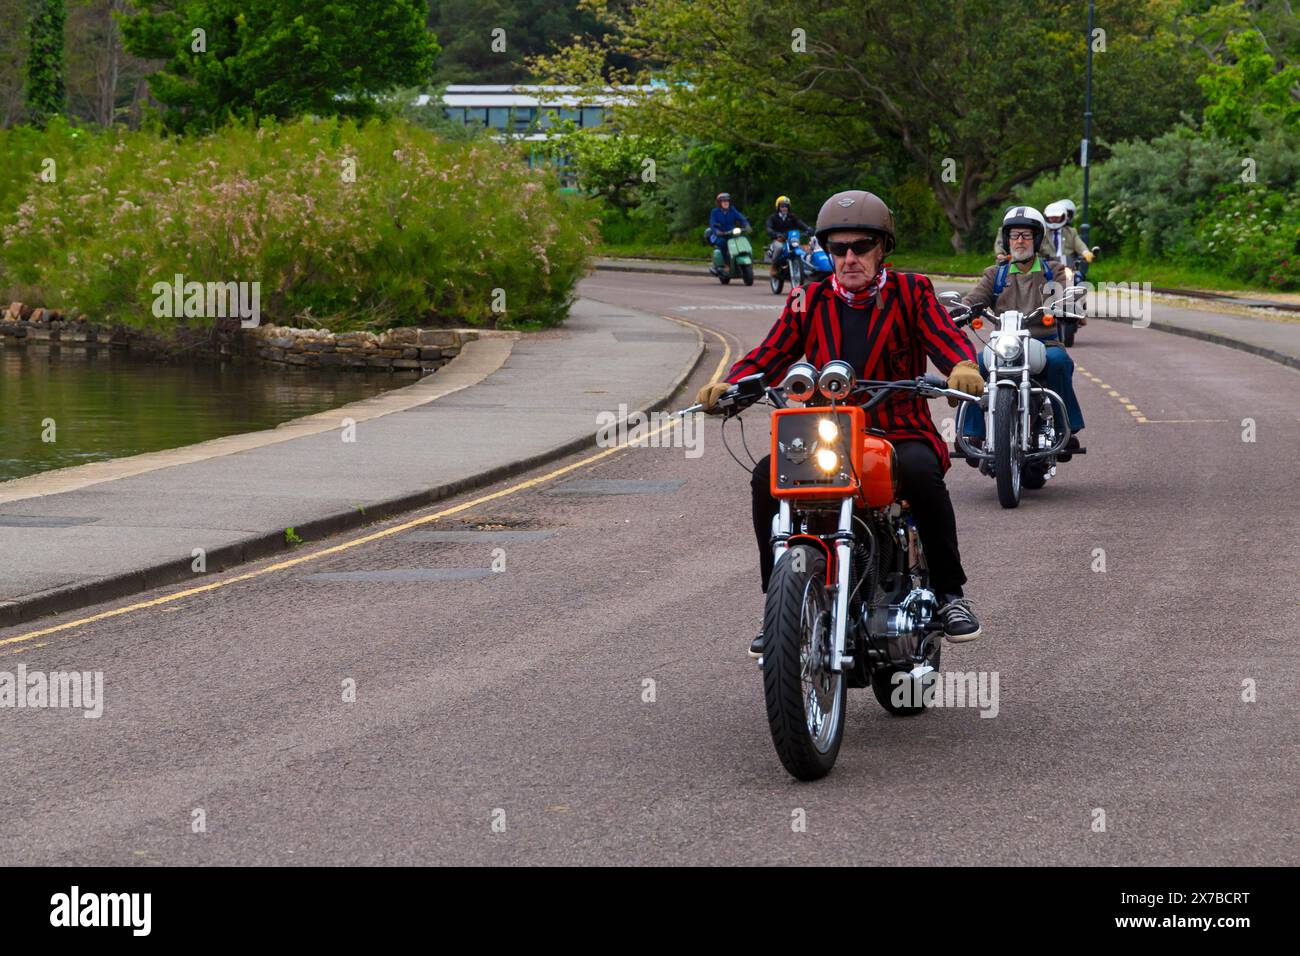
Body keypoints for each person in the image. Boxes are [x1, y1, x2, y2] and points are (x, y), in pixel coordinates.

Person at [695, 190, 986, 656]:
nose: (849, 258)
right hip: (823, 433)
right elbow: (769, 355)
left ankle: (951, 593)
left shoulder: (913, 291)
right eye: (838, 249)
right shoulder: (807, 299)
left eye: (861, 247)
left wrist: (962, 365)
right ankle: (779, 605)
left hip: (898, 429)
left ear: (882, 248)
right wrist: (730, 384)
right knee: (765, 477)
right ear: (827, 252)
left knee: (920, 473)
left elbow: (944, 336)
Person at [959, 206, 1085, 460]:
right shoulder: (996, 274)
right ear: (1007, 240)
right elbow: (974, 298)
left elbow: (1065, 293)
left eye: (1026, 235)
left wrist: (1065, 305)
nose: (1020, 241)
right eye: (1015, 235)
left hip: (1044, 343)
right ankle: (972, 433)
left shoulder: (1053, 271)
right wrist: (962, 310)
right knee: (971, 369)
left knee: (1060, 362)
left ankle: (1065, 429)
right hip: (1002, 344)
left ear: (1037, 239)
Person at [764, 196, 811, 279]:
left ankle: (804, 268)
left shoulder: (792, 217)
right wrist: (775, 234)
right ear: (778, 207)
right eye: (782, 206)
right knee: (779, 247)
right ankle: (773, 267)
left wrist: (808, 229)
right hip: (779, 240)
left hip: (791, 240)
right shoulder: (773, 217)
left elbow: (800, 223)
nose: (784, 208)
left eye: (786, 206)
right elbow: (768, 228)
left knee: (804, 249)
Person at [707, 192, 750, 275]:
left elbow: (740, 217)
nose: (726, 203)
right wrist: (717, 231)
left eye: (727, 201)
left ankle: (744, 261)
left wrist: (746, 225)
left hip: (731, 234)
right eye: (723, 201)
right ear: (719, 203)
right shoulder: (715, 212)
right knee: (723, 243)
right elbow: (712, 223)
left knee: (742, 240)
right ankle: (726, 264)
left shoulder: (732, 210)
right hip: (720, 235)